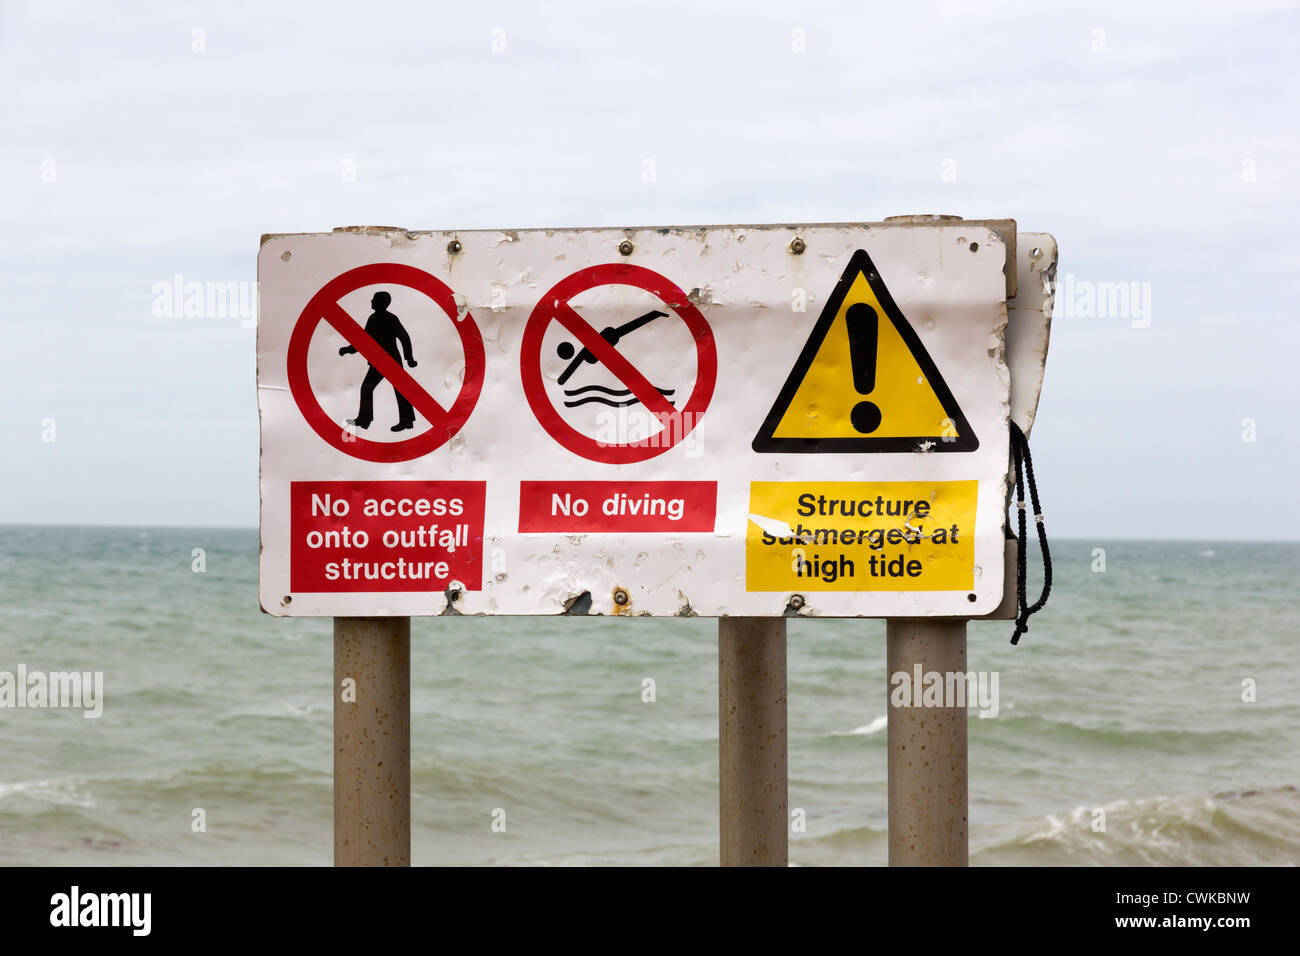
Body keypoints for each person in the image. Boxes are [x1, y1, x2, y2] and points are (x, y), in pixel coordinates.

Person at [339, 291, 418, 431]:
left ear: (380, 302)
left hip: (391, 361)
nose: (371, 301)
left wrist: (409, 358)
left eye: (374, 299)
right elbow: (363, 340)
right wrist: (348, 349)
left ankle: (406, 421)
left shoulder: (391, 319)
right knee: (367, 388)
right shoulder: (373, 319)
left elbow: (404, 338)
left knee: (400, 390)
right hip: (378, 361)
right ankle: (364, 419)